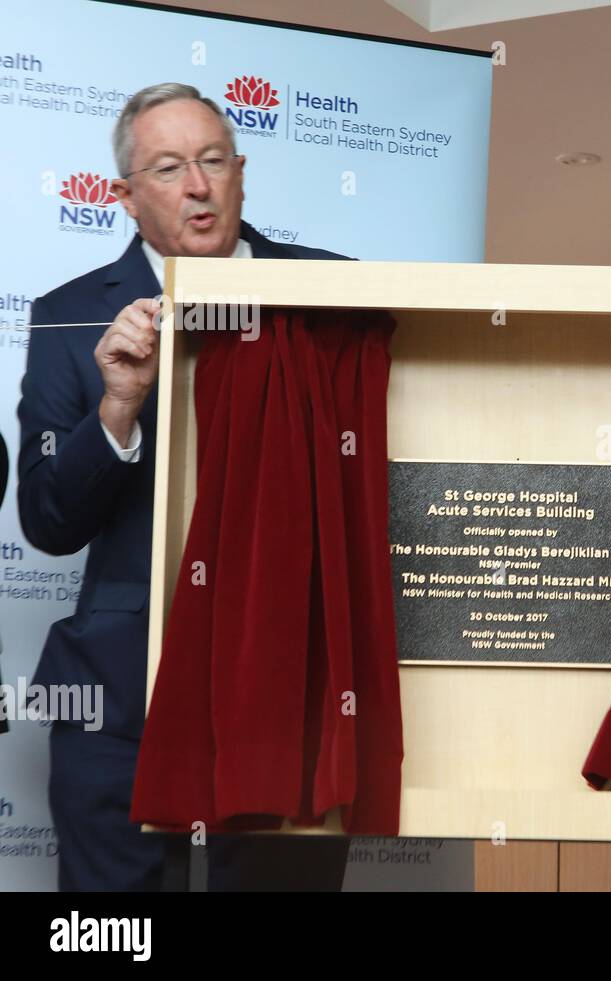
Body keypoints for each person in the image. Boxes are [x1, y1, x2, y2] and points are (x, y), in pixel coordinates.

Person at [18, 82, 352, 891]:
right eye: (169, 168)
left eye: (212, 161)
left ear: (241, 172)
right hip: (118, 694)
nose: (198, 186)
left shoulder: (334, 294)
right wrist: (119, 406)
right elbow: (48, 520)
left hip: (288, 684)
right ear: (126, 197)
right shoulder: (69, 316)